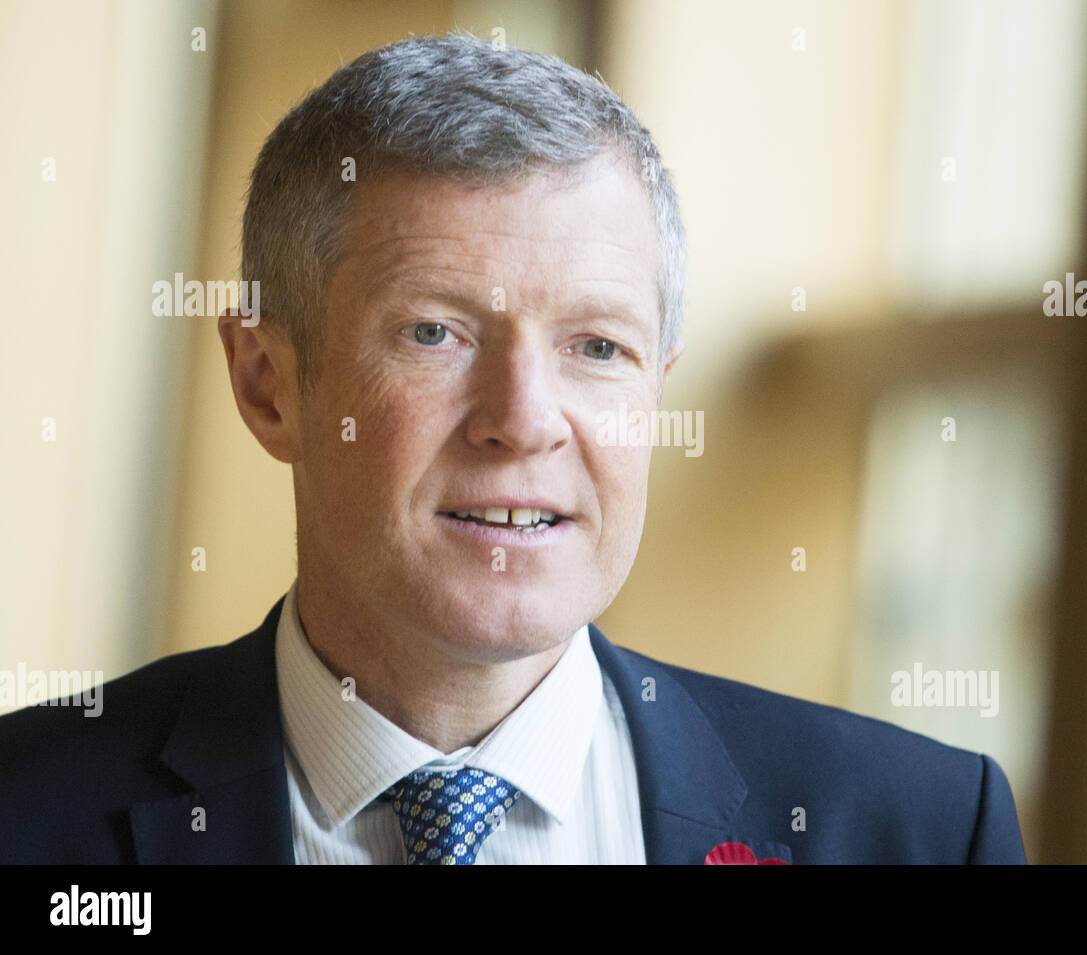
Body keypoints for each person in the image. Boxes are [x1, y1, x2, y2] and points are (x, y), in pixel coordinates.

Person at [0, 33, 1027, 865]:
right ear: (269, 384)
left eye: (596, 346)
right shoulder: (27, 813)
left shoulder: (918, 829)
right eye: (433, 333)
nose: (524, 418)